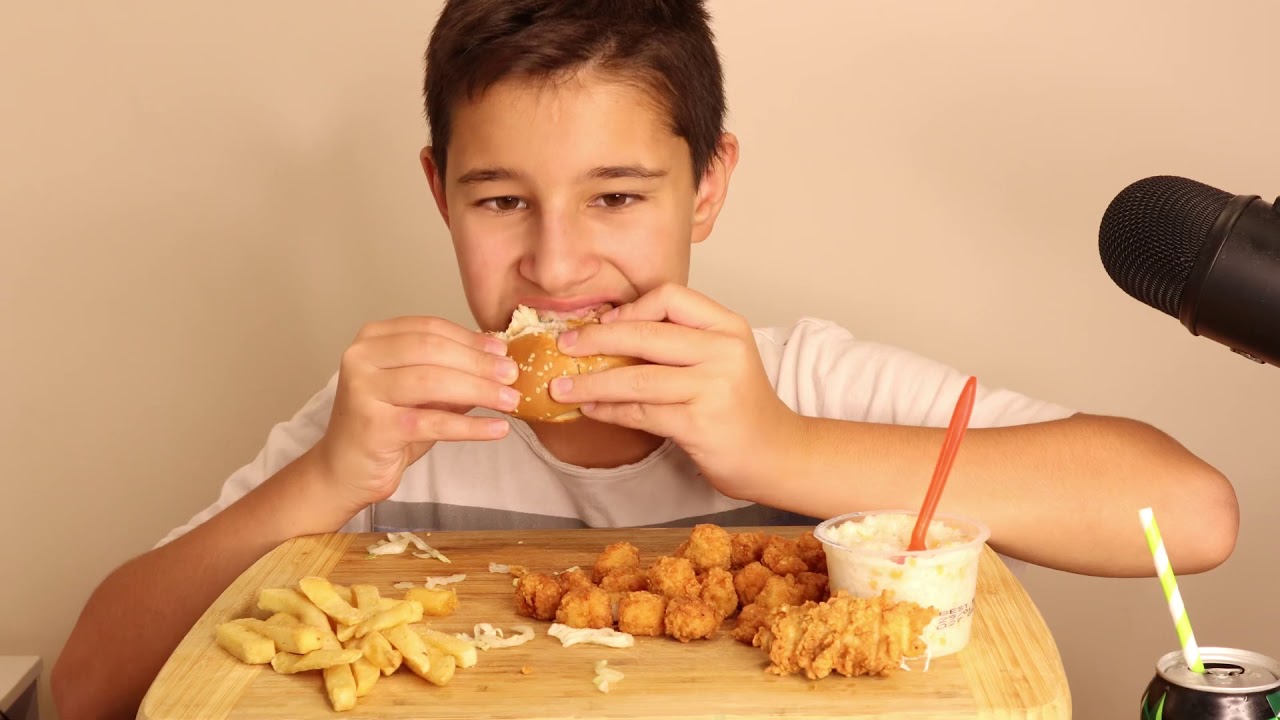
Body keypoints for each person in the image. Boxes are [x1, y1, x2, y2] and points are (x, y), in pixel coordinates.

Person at [51, 1, 1239, 717]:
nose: (556, 263)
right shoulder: (385, 426)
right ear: (438, 193)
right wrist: (320, 483)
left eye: (615, 195)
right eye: (500, 200)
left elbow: (1186, 512)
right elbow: (87, 689)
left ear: (706, 186)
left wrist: (782, 448)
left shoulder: (802, 384)